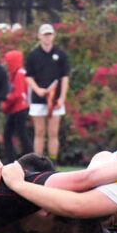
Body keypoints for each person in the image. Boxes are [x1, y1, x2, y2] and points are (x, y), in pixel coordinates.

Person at [25, 23, 69, 160]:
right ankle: (37, 162)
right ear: (39, 36)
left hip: (55, 100)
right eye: (45, 35)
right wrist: (38, 90)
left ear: (54, 36)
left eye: (50, 34)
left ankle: (53, 161)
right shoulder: (33, 55)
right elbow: (28, 77)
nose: (47, 38)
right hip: (39, 99)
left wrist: (62, 97)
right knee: (39, 131)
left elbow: (64, 78)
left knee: (53, 132)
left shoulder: (61, 55)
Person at [0, 49, 31, 163]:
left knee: (19, 135)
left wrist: (5, 102)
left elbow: (17, 94)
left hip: (19, 109)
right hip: (15, 109)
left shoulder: (19, 73)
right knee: (15, 135)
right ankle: (14, 160)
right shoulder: (15, 74)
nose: (6, 64)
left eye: (8, 61)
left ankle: (26, 159)